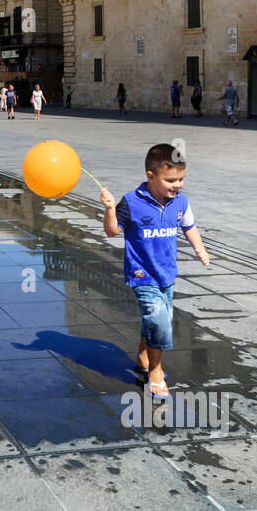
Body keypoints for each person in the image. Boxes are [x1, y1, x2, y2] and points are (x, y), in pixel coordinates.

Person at [99, 143, 210, 401]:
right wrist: (109, 209)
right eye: (170, 180)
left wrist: (200, 248)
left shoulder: (180, 202)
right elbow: (112, 231)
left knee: (156, 321)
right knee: (159, 320)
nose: (178, 185)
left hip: (167, 274)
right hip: (142, 274)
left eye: (181, 179)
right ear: (151, 177)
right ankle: (156, 372)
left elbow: (189, 226)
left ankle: (142, 358)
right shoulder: (132, 202)